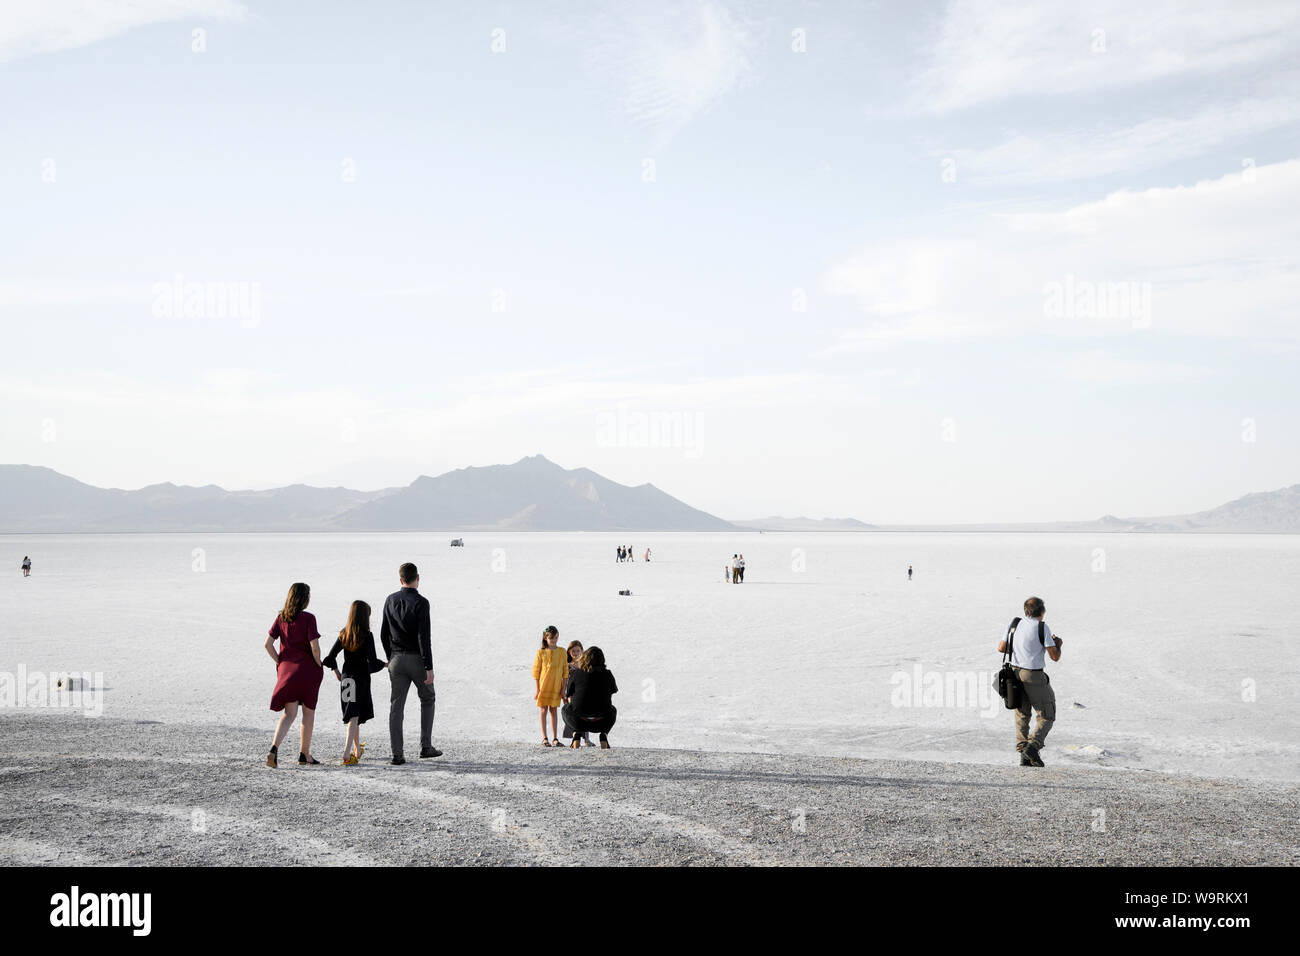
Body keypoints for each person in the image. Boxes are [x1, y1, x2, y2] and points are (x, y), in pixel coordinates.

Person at [381, 562, 440, 765]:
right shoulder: (422, 602)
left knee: (396, 706)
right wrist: (428, 666)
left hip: (396, 659)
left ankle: (397, 754)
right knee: (428, 698)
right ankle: (426, 746)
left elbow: (383, 633)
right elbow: (424, 637)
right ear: (418, 578)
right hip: (416, 659)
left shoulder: (390, 600)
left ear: (400, 580)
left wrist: (390, 656)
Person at [997, 596, 1063, 767]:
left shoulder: (1015, 624)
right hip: (1033, 675)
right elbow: (1054, 656)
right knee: (1047, 714)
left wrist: (1022, 647)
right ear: (1042, 611)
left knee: (1022, 714)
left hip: (1014, 673)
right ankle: (1033, 747)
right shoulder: (1042, 627)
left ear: (1025, 611)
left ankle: (1024, 754)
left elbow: (1001, 648)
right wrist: (1058, 644)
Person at [264, 582, 325, 767]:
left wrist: (280, 661)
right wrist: (318, 664)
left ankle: (274, 749)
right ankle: (304, 755)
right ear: (304, 598)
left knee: (289, 714)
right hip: (307, 672)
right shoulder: (309, 618)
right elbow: (314, 647)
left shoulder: (281, 618)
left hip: (286, 672)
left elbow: (267, 644)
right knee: (308, 714)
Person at [323, 600, 387, 765]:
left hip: (346, 680)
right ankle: (346, 753)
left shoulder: (344, 633)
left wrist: (337, 672)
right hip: (360, 680)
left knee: (353, 716)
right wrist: (385, 664)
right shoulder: (367, 635)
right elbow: (372, 662)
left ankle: (357, 749)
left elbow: (330, 658)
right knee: (354, 717)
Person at [562, 646, 618, 749]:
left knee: (565, 709)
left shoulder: (576, 673)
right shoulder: (608, 674)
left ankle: (576, 734)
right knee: (613, 710)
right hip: (601, 720)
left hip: (579, 720)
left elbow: (569, 693)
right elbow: (613, 691)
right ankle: (604, 734)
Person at [533, 625, 569, 747]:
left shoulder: (562, 652)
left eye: (556, 637)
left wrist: (563, 689)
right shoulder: (541, 652)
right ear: (545, 638)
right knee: (543, 710)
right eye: (551, 638)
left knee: (554, 710)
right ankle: (544, 738)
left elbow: (565, 672)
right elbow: (536, 672)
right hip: (544, 686)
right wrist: (537, 690)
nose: (554, 640)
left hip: (556, 686)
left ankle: (555, 738)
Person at [560, 639, 594, 747]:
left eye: (578, 651)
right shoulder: (568, 665)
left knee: (585, 714)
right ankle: (575, 737)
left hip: (583, 693)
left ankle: (587, 740)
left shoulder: (585, 665)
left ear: (582, 651)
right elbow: (564, 679)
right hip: (571, 693)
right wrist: (564, 693)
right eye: (573, 651)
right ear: (569, 652)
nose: (575, 653)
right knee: (573, 714)